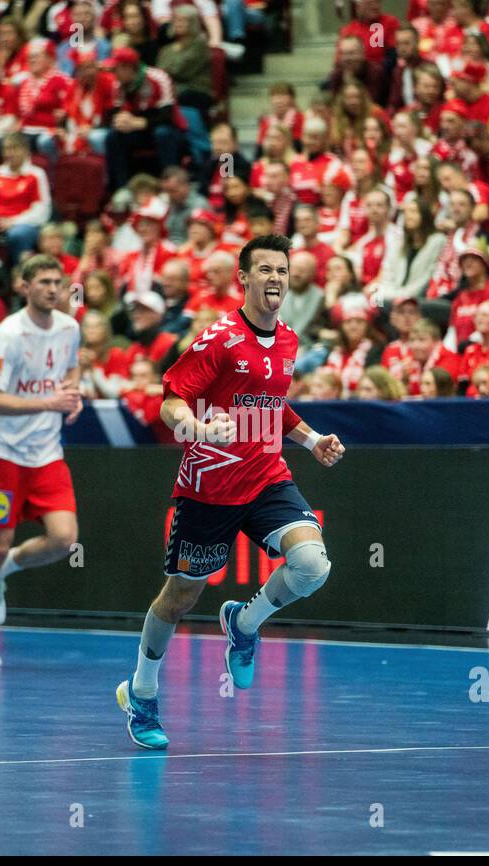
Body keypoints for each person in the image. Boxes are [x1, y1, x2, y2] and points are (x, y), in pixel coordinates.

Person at [117, 234, 346, 750]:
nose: (275, 279)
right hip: (209, 486)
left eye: (282, 271)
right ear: (243, 279)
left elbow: (273, 404)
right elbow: (171, 402)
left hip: (267, 476)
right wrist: (197, 429)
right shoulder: (218, 339)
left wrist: (311, 441)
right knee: (179, 599)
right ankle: (143, 692)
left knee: (313, 565)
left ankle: (244, 624)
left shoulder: (287, 339)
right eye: (264, 270)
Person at [0, 255, 84, 667]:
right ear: (25, 287)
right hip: (3, 455)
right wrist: (47, 401)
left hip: (47, 454)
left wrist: (72, 393)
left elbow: (71, 366)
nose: (53, 289)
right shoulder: (8, 335)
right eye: (44, 282)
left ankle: (1, 574)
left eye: (58, 282)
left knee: (65, 540)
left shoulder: (70, 328)